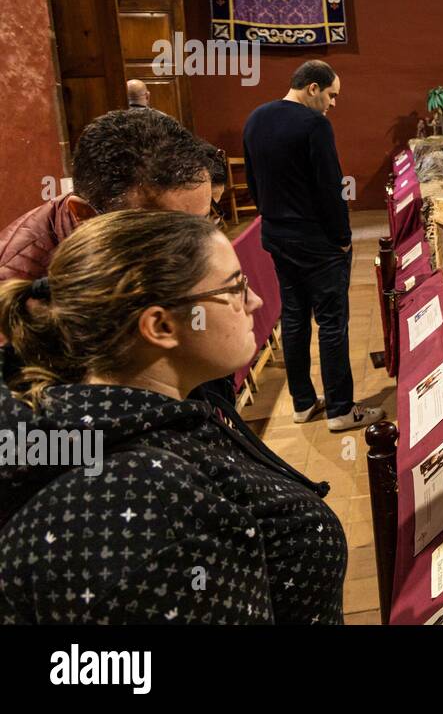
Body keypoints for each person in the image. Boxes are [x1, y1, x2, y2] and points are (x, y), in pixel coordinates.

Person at [0, 210, 346, 624]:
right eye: (235, 288)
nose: (254, 301)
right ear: (161, 326)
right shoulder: (145, 510)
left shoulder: (138, 418)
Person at [242, 60, 382, 433]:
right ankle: (340, 409)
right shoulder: (314, 124)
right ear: (313, 88)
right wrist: (341, 238)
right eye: (332, 95)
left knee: (293, 316)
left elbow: (253, 181)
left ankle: (303, 403)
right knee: (332, 322)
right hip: (317, 242)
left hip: (277, 235)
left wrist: (273, 217)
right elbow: (329, 187)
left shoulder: (256, 117)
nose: (333, 104)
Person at [0, 108, 212, 283]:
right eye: (163, 236)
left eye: (201, 223)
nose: (191, 251)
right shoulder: (17, 286)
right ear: (84, 214)